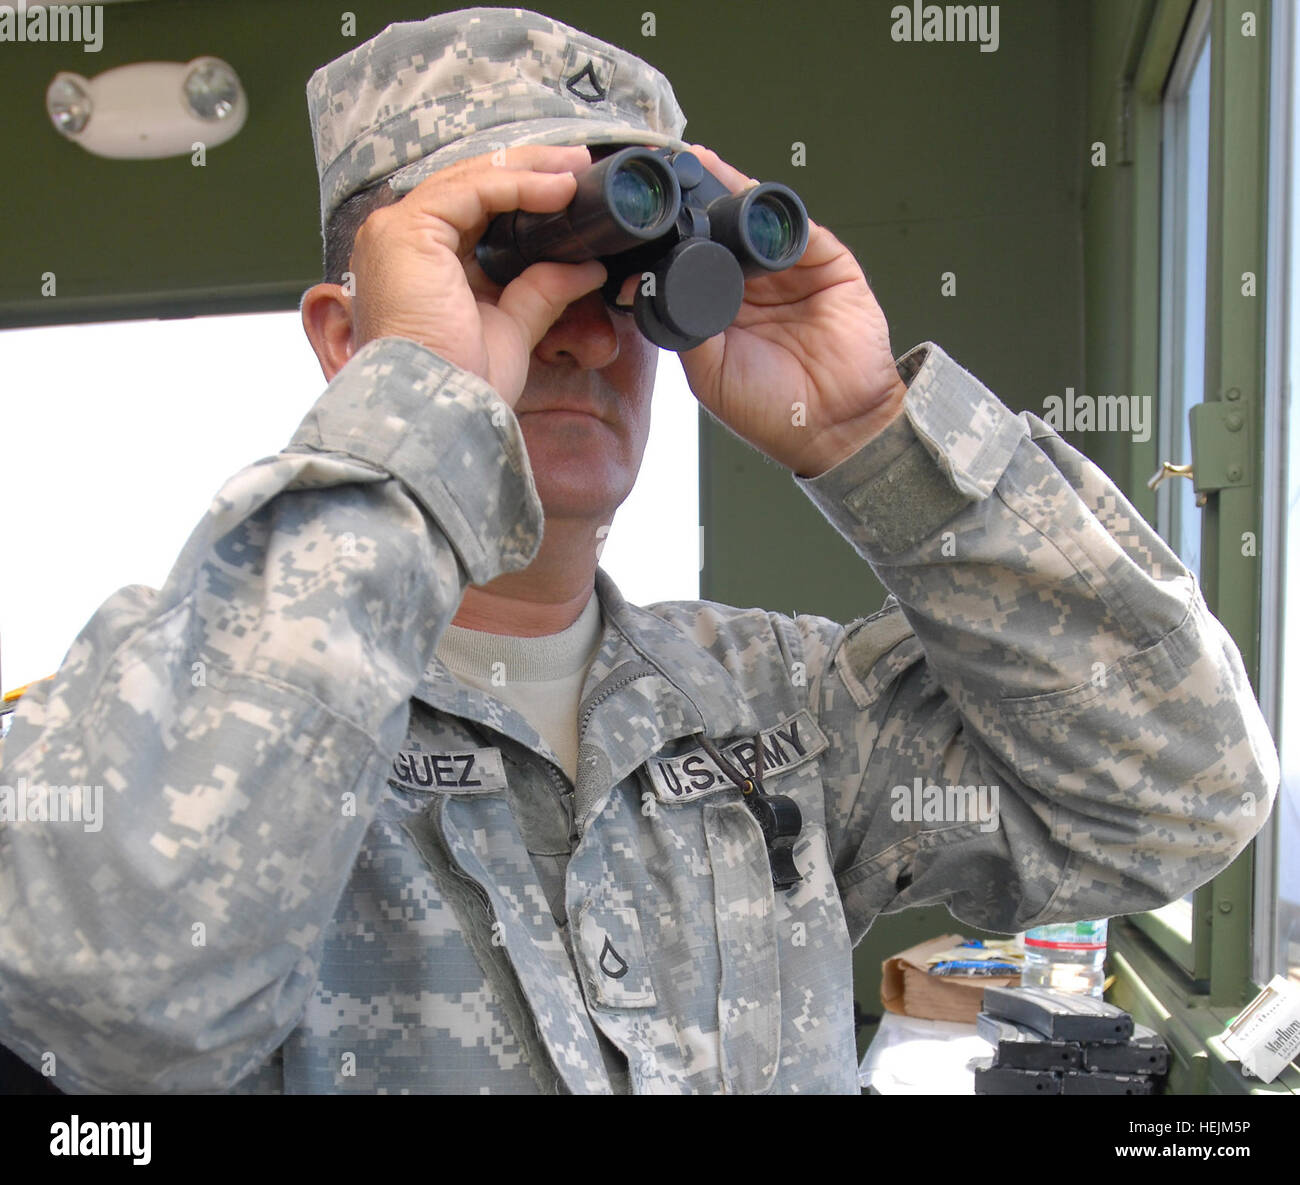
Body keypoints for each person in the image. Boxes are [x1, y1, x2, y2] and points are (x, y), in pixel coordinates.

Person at [0, 7, 1279, 1095]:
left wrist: (873, 435)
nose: (581, 334)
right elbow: (116, 998)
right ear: (348, 337)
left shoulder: (777, 710)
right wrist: (409, 425)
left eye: (625, 277)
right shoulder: (179, 722)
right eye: (499, 268)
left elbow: (1180, 799)